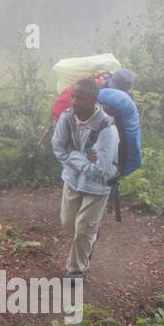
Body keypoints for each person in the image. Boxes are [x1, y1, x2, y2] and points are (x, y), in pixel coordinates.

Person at [50, 78, 120, 279]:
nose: (74, 101)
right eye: (73, 95)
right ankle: (91, 235)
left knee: (82, 230)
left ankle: (77, 269)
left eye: (80, 98)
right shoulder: (67, 117)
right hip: (72, 180)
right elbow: (58, 148)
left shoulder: (107, 129)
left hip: (97, 187)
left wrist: (73, 154)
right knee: (67, 223)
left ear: (93, 100)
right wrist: (81, 158)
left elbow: (99, 169)